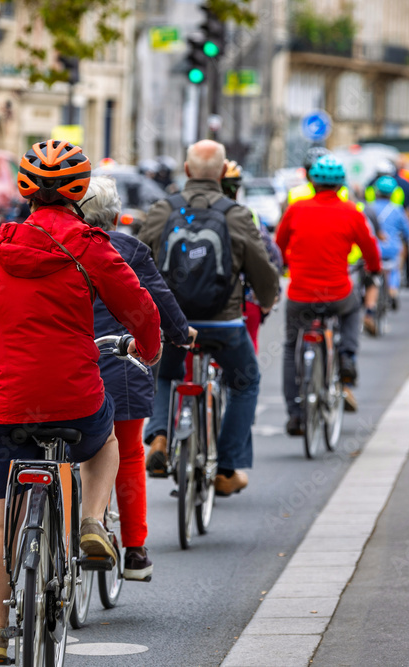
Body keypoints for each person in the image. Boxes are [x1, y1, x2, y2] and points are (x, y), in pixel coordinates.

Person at [0, 140, 162, 664]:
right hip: (74, 400)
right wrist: (147, 353)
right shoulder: (92, 245)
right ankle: (90, 521)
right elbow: (142, 311)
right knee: (106, 441)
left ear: (25, 189)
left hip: (4, 404)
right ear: (80, 191)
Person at [139, 140, 279, 496]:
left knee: (163, 372)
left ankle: (158, 436)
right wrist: (267, 299)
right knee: (245, 382)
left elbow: (139, 263)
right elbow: (261, 268)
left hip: (174, 322)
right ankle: (227, 467)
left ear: (186, 171)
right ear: (221, 173)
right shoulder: (236, 214)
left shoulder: (161, 210)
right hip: (225, 324)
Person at [82, 176, 194, 582]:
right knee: (128, 452)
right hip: (121, 365)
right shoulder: (129, 249)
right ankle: (134, 551)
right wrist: (182, 334)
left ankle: (66, 536)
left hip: (70, 366)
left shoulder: (57, 248)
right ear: (114, 216)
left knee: (68, 448)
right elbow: (159, 301)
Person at [276, 155, 381, 433]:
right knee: (352, 308)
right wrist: (374, 269)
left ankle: (296, 415)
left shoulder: (296, 209)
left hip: (300, 295)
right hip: (337, 294)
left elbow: (278, 246)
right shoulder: (351, 211)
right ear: (339, 185)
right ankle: (346, 355)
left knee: (290, 347)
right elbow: (370, 250)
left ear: (312, 182)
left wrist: (287, 264)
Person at [221, 160, 283, 351]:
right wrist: (271, 295)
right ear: (237, 189)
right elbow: (271, 258)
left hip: (192, 302)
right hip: (242, 301)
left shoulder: (185, 213)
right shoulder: (248, 215)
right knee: (247, 369)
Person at [364, 175, 409, 332]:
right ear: (393, 193)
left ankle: (369, 306)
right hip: (391, 249)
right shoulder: (397, 210)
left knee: (371, 278)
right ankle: (392, 290)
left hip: (372, 250)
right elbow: (407, 232)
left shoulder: (368, 208)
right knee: (394, 268)